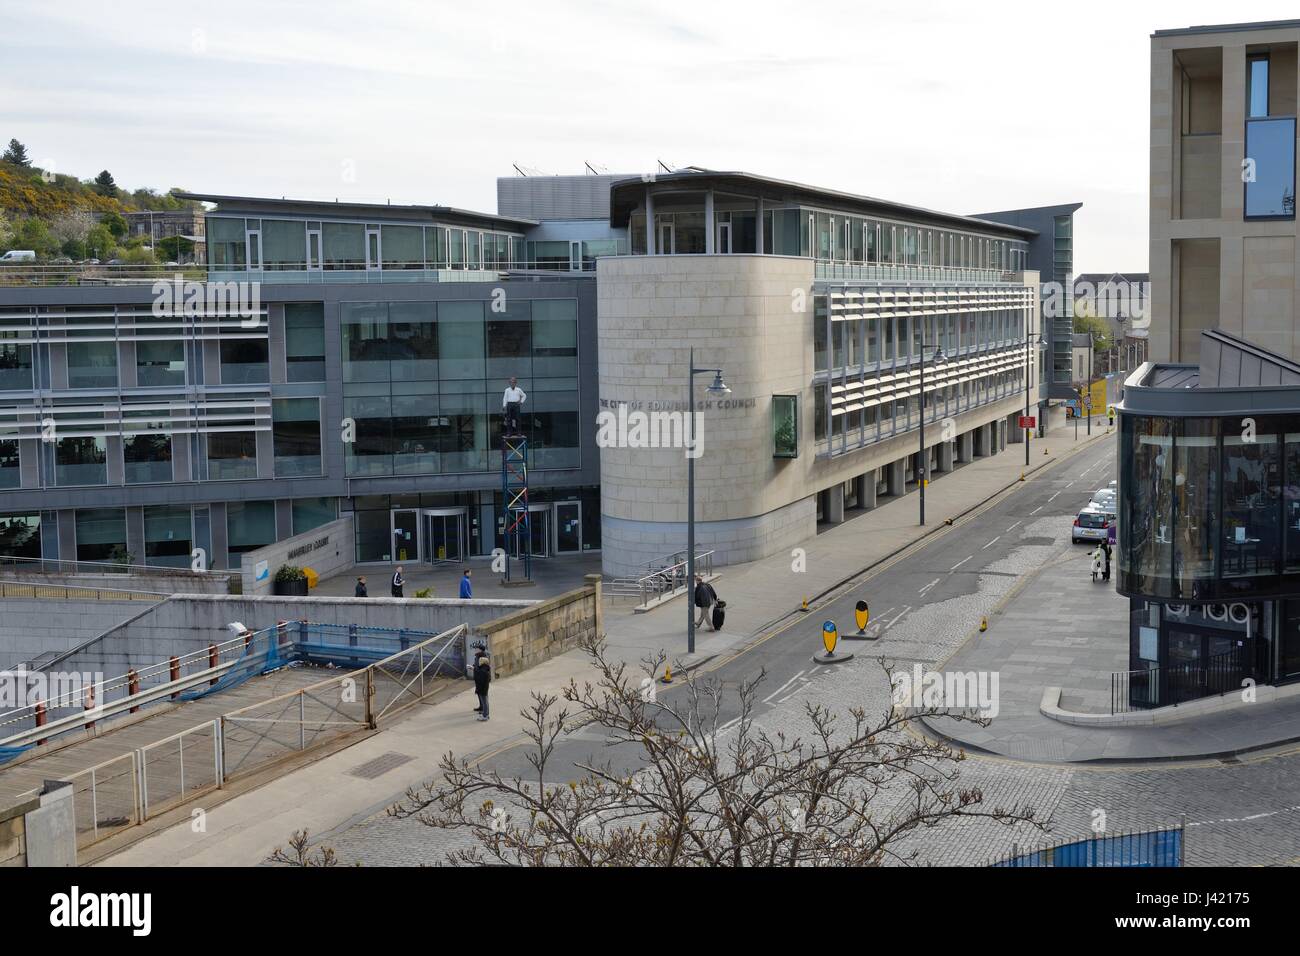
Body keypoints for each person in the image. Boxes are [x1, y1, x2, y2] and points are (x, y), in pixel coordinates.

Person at [473, 648, 492, 721]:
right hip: (481, 686)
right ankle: (484, 714)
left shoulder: (484, 670)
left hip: (483, 687)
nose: (478, 662)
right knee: (484, 700)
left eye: (479, 661)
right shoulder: (483, 668)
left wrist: (474, 669)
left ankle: (485, 715)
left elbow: (481, 676)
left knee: (484, 701)